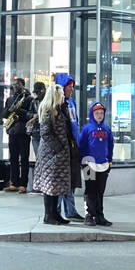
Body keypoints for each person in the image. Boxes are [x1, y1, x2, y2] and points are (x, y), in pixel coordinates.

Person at [32, 83, 75, 225]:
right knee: (49, 187)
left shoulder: (59, 109)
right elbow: (45, 133)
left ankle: (56, 214)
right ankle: (48, 215)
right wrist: (59, 148)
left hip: (59, 156)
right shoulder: (48, 111)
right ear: (55, 96)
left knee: (56, 187)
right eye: (61, 94)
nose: (63, 96)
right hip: (51, 155)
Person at [78, 101, 114, 227]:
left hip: (103, 164)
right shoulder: (87, 129)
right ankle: (89, 215)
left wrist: (110, 161)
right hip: (88, 163)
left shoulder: (107, 129)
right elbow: (82, 145)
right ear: (92, 114)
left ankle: (99, 215)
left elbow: (110, 146)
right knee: (90, 191)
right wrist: (82, 161)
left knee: (100, 191)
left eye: (101, 113)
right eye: (97, 113)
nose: (99, 115)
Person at [52, 73, 83, 219]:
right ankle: (56, 211)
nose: (71, 89)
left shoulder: (71, 103)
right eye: (69, 87)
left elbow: (75, 123)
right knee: (61, 180)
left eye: (72, 87)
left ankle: (70, 210)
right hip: (62, 148)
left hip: (72, 145)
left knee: (70, 179)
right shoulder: (56, 105)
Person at [1, 76, 33, 192]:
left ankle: (23, 185)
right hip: (12, 131)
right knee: (13, 158)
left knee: (24, 159)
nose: (15, 86)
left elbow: (30, 114)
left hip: (23, 132)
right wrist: (10, 109)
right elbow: (4, 114)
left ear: (23, 85)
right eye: (14, 84)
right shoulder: (10, 99)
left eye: (17, 84)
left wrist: (18, 110)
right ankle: (13, 182)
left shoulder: (29, 99)